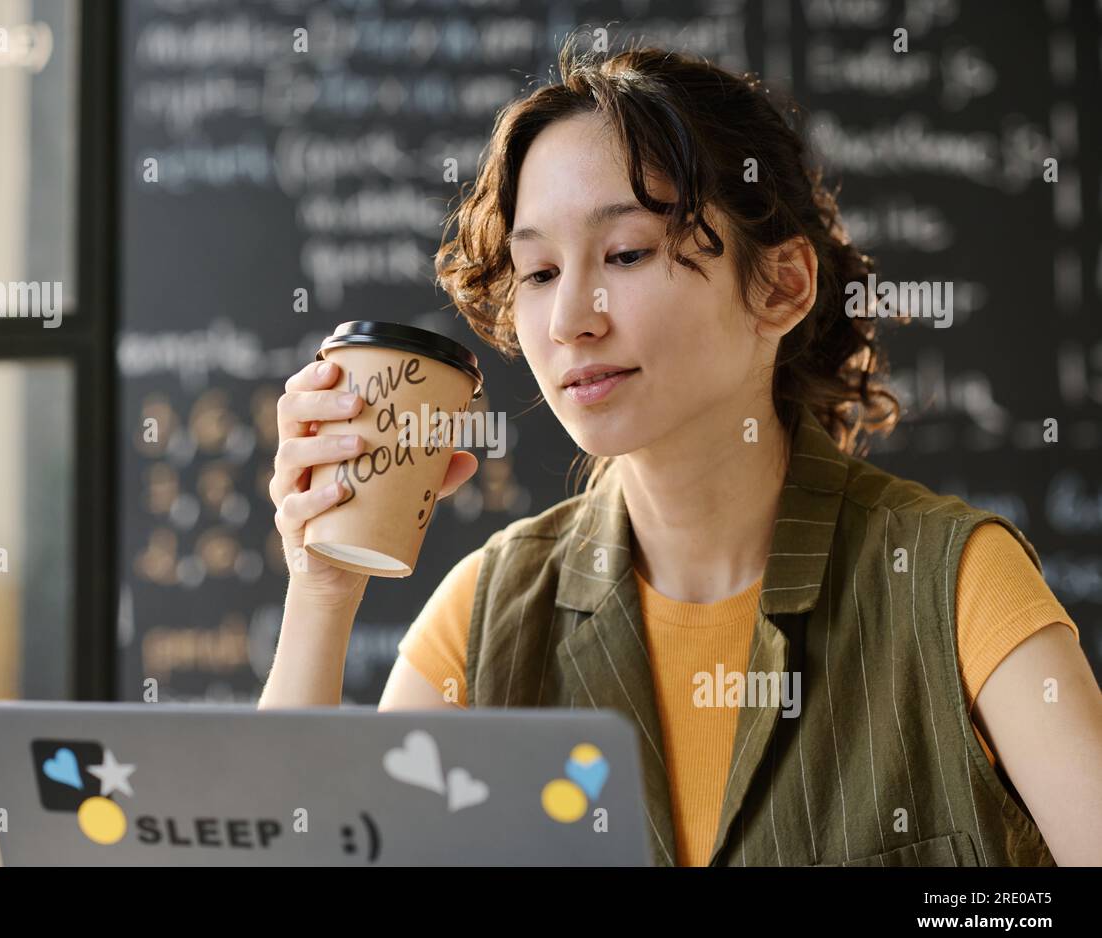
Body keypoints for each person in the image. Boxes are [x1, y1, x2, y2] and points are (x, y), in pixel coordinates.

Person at [259, 39, 1102, 866]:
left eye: (625, 253)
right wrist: (322, 589)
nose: (568, 323)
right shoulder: (486, 617)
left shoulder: (956, 585)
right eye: (541, 272)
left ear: (780, 287)